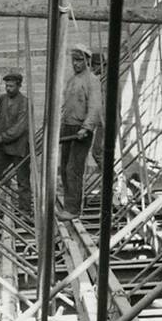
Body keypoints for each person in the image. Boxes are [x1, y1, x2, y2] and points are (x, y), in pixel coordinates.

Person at [57, 47, 104, 220]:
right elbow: (66, 105)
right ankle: (69, 205)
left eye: (79, 60)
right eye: (73, 60)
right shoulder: (72, 80)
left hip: (81, 130)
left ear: (87, 61)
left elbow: (95, 106)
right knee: (64, 168)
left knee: (73, 169)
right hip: (68, 128)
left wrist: (86, 128)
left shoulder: (92, 81)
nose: (75, 63)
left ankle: (73, 209)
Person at [0, 69, 32, 217]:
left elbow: (19, 128)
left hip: (19, 147)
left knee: (23, 181)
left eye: (11, 86)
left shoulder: (25, 103)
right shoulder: (2, 99)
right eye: (7, 86)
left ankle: (25, 210)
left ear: (19, 86)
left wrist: (0, 138)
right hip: (3, 148)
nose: (8, 89)